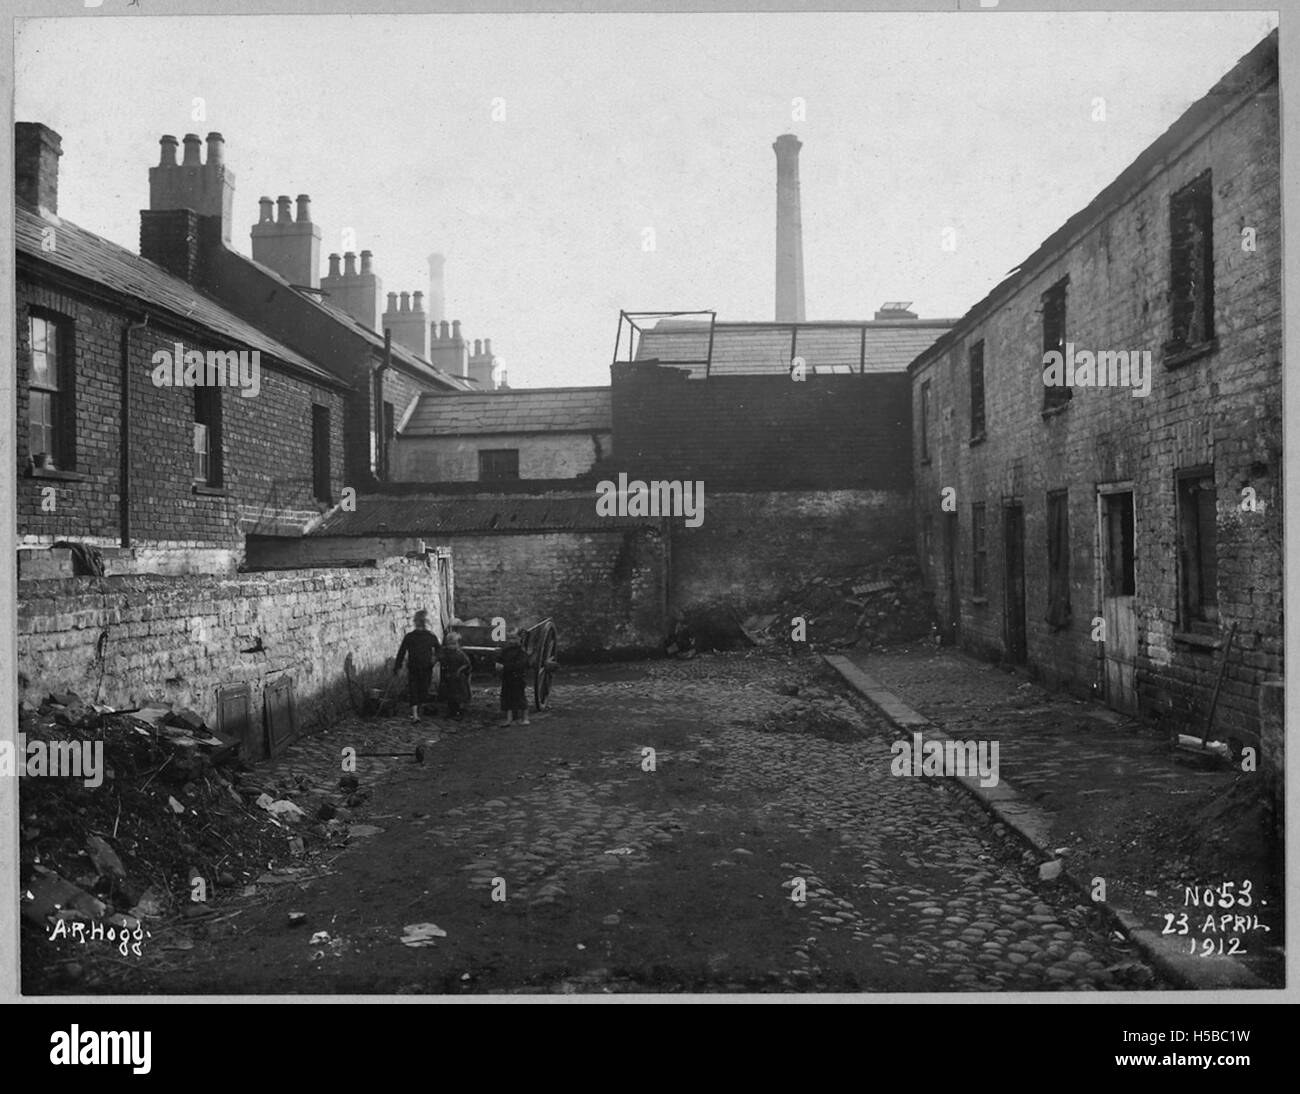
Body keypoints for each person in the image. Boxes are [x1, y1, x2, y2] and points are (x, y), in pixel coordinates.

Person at [394, 610, 439, 722]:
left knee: (414, 688)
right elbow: (439, 650)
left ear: (415, 622)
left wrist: (397, 666)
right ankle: (418, 710)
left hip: (415, 666)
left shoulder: (410, 637)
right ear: (427, 622)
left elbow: (401, 652)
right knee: (423, 687)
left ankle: (415, 713)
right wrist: (435, 659)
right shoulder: (430, 636)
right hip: (425, 666)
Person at [496, 628, 531, 727]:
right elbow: (500, 658)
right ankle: (509, 719)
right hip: (507, 678)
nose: (512, 641)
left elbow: (521, 665)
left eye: (514, 638)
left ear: (520, 639)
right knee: (507, 698)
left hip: (518, 678)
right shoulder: (506, 650)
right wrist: (498, 664)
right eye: (510, 638)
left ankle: (525, 718)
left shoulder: (522, 652)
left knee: (520, 697)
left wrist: (505, 667)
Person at [437, 630, 473, 719]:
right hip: (449, 676)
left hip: (458, 678)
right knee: (449, 695)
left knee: (458, 695)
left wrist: (459, 671)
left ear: (457, 644)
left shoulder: (460, 654)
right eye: (449, 644)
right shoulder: (446, 653)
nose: (451, 646)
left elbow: (467, 664)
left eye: (453, 644)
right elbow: (441, 659)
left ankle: (459, 712)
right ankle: (451, 711)